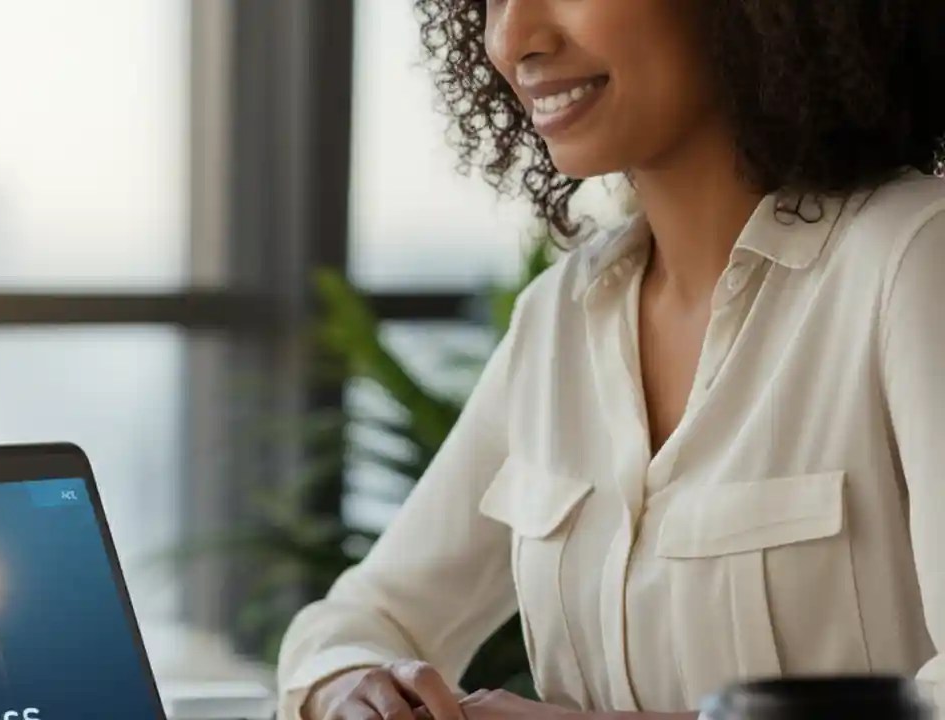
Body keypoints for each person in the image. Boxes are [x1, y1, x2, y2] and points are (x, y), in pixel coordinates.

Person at [277, 1, 945, 718]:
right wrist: (351, 689)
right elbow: (359, 622)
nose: (512, 39)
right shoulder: (558, 319)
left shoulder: (911, 261)